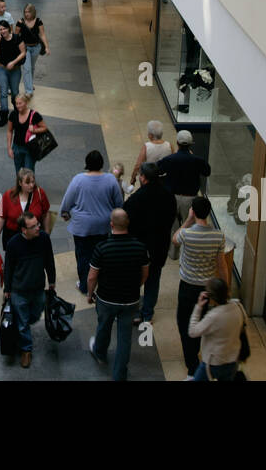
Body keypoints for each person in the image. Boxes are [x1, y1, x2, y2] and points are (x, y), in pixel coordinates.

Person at [86, 208, 149, 381]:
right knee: (125, 337)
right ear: (127, 223)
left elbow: (92, 277)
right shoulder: (139, 247)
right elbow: (145, 273)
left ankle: (100, 352)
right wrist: (136, 286)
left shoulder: (102, 248)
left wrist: (90, 294)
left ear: (111, 224)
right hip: (130, 300)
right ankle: (119, 374)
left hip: (107, 298)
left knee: (104, 326)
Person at [172, 196, 225, 378]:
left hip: (187, 286)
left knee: (184, 323)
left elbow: (174, 239)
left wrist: (187, 220)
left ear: (193, 211)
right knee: (201, 320)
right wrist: (224, 288)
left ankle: (192, 365)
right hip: (207, 288)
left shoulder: (187, 234)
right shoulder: (218, 236)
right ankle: (199, 352)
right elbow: (222, 264)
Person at [60, 150, 124, 294]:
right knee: (102, 255)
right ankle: (101, 283)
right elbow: (119, 202)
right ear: (101, 164)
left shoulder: (78, 179)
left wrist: (65, 212)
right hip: (104, 225)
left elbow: (68, 200)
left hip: (82, 226)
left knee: (83, 255)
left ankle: (84, 285)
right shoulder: (110, 180)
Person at [123, 162, 176, 324]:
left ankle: (130, 309)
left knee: (133, 280)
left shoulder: (137, 198)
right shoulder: (168, 195)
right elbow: (171, 219)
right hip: (159, 247)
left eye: (140, 175)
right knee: (153, 280)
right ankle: (147, 314)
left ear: (144, 178)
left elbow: (126, 221)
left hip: (139, 248)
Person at [2, 211, 56, 369]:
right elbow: (9, 268)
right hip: (19, 290)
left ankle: (23, 330)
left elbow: (49, 260)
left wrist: (52, 280)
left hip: (38, 288)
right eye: (33, 227)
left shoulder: (44, 239)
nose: (38, 228)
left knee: (35, 314)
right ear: (24, 230)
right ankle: (26, 350)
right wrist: (7, 288)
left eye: (38, 224)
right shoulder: (13, 244)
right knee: (23, 321)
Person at [0, 20, 26, 125]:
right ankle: (4, 115)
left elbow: (23, 53)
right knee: (3, 92)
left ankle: (17, 113)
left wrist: (13, 62)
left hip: (15, 69)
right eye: (0, 29)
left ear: (9, 28)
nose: (3, 31)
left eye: (4, 28)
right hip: (1, 69)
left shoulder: (16, 38)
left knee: (15, 92)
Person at [6, 93, 49, 178]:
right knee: (19, 172)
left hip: (30, 148)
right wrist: (9, 148)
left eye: (20, 103)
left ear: (26, 103)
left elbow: (44, 128)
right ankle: (20, 189)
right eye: (16, 103)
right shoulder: (13, 115)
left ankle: (29, 189)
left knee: (29, 172)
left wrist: (34, 130)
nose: (18, 106)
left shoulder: (35, 115)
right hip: (17, 147)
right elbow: (9, 131)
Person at [16, 4, 49, 96]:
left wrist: (46, 47)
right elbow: (16, 35)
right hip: (25, 48)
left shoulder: (38, 21)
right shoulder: (20, 22)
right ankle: (29, 91)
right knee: (26, 68)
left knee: (31, 67)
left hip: (36, 47)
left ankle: (30, 83)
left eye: (29, 12)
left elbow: (42, 35)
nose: (27, 14)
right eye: (25, 12)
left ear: (33, 12)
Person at [129, 120, 173, 187]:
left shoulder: (147, 146)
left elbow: (138, 165)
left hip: (149, 180)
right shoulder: (169, 145)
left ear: (151, 135)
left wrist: (133, 178)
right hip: (165, 180)